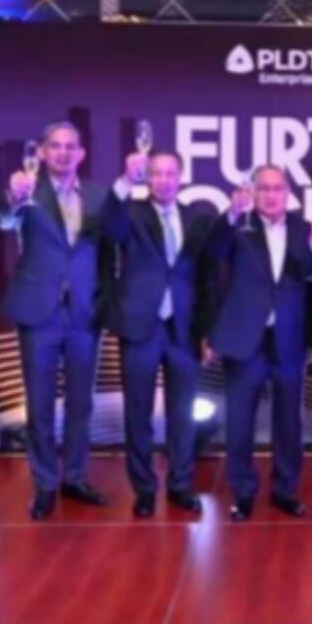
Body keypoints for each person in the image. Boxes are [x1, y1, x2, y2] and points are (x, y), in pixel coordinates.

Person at [0, 121, 112, 518]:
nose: (63, 153)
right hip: (39, 312)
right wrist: (14, 200)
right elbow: (4, 221)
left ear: (81, 153)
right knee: (40, 404)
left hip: (83, 313)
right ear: (42, 151)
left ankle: (76, 477)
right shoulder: (27, 189)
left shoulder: (99, 194)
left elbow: (110, 249)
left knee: (82, 403)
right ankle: (45, 483)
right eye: (55, 146)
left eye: (70, 147)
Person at [103, 149, 216, 518]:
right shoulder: (131, 213)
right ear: (147, 178)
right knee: (138, 413)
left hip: (184, 329)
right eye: (156, 173)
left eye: (170, 173)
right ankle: (144, 489)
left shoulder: (196, 218)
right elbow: (109, 228)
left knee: (182, 414)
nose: (164, 180)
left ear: (181, 177)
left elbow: (207, 278)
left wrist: (207, 332)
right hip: (141, 326)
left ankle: (181, 485)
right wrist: (124, 181)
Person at [202, 165, 312, 521]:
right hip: (245, 339)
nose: (270, 195)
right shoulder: (238, 224)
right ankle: (243, 491)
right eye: (263, 188)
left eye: (277, 188)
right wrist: (231, 215)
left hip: (289, 339)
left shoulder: (304, 229)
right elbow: (212, 254)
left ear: (288, 193)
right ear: (252, 192)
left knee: (289, 422)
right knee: (240, 421)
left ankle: (285, 490)